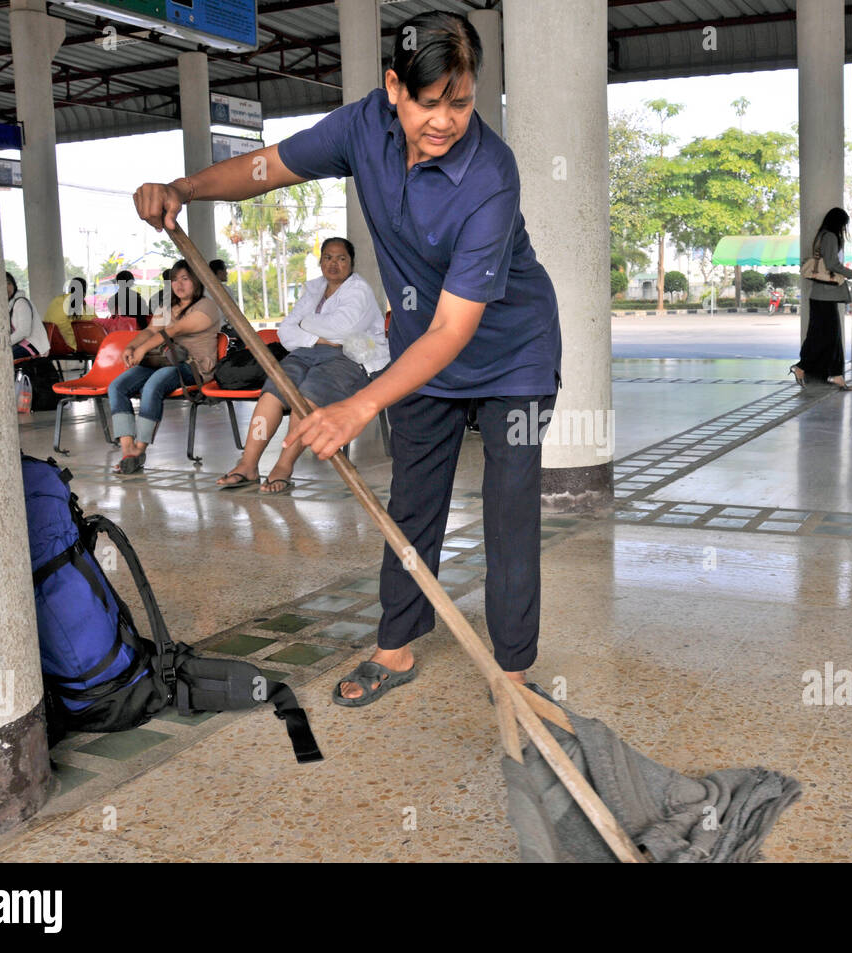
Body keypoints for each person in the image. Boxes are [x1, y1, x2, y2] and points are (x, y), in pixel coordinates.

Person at [133, 10, 561, 707]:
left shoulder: (491, 173)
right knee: (413, 498)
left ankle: (512, 674)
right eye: (430, 101)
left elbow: (457, 328)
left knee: (509, 511)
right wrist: (185, 190)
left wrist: (361, 402)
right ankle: (394, 647)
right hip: (420, 350)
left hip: (513, 352)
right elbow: (267, 167)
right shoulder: (364, 127)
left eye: (462, 100)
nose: (447, 119)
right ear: (395, 87)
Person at [216, 237, 388, 494]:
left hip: (348, 358)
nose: (334, 263)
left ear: (351, 264)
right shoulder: (314, 288)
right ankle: (248, 465)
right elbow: (285, 331)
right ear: (320, 262)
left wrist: (305, 323)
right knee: (273, 392)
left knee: (305, 398)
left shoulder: (358, 289)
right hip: (306, 352)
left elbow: (344, 330)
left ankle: (284, 466)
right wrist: (315, 336)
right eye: (328, 257)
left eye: (341, 258)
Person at [106, 260, 222, 473]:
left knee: (153, 385)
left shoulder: (206, 306)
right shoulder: (168, 307)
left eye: (185, 279)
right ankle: (127, 450)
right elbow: (151, 330)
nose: (179, 284)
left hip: (193, 367)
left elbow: (174, 330)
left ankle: (139, 451)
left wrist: (143, 350)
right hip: (163, 361)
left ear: (197, 281)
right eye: (175, 279)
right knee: (117, 387)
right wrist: (132, 346)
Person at [792, 207, 852, 390]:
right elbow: (831, 264)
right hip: (825, 297)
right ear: (839, 223)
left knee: (823, 335)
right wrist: (850, 273)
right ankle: (805, 368)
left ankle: (830, 373)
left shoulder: (822, 235)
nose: (844, 228)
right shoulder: (830, 237)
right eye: (844, 224)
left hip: (820, 296)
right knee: (826, 335)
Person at [7, 272, 49, 360]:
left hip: (32, 345)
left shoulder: (21, 303)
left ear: (14, 285)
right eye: (3, 284)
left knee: (1, 356)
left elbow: (24, 331)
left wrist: (5, 343)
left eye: (9, 283)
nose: (7, 287)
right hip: (20, 343)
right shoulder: (9, 305)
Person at [42, 277, 86, 349]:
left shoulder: (57, 299)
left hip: (51, 344)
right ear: (84, 291)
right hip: (69, 346)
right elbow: (94, 321)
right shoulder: (79, 303)